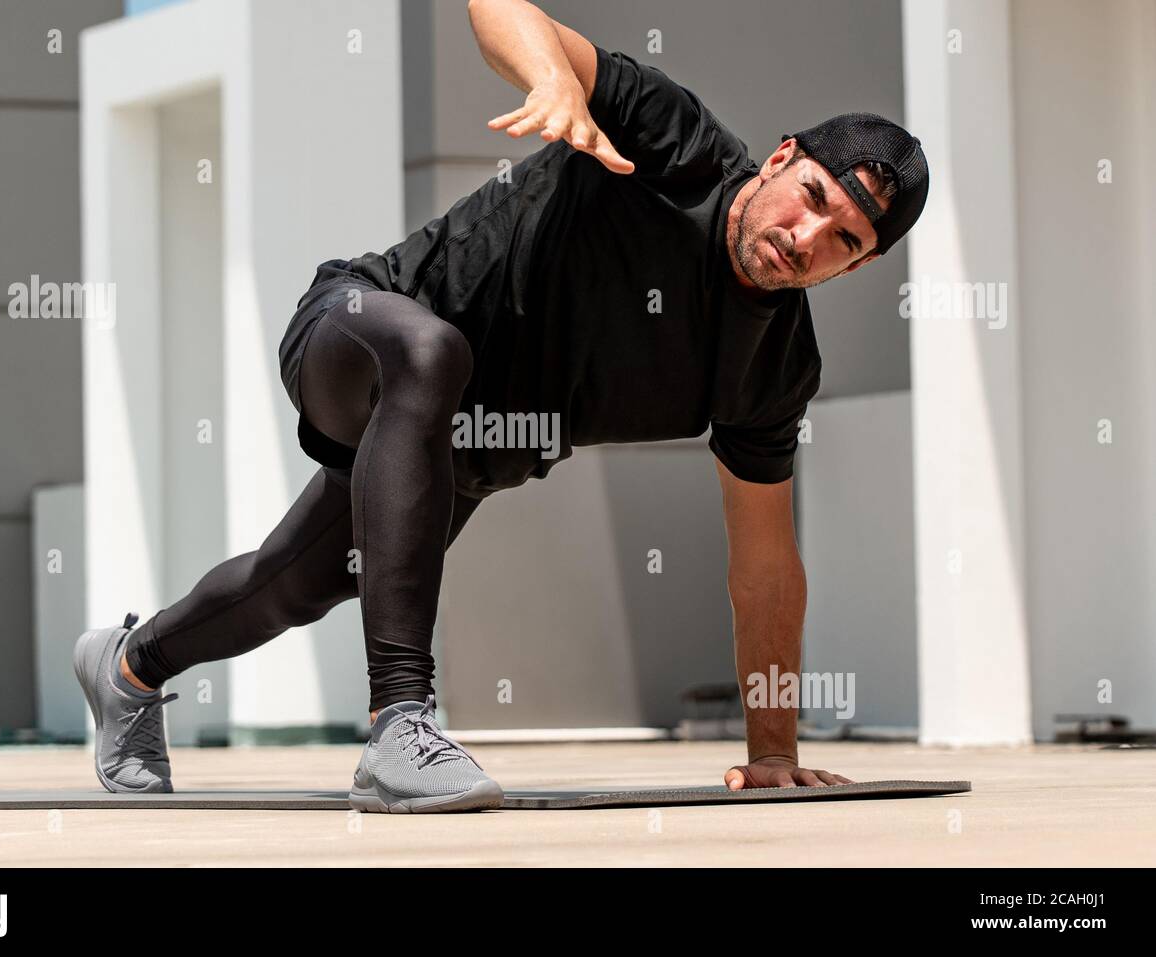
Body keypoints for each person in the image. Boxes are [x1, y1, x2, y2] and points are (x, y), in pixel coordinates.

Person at [74, 0, 929, 813]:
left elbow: (767, 567)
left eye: (844, 241)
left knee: (289, 586)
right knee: (430, 350)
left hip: (456, 454)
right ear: (781, 160)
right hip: (359, 329)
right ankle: (400, 729)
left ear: (853, 270)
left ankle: (130, 667)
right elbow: (498, 10)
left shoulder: (774, 367)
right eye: (814, 198)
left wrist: (773, 751)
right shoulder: (678, 146)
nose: (808, 238)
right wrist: (556, 79)